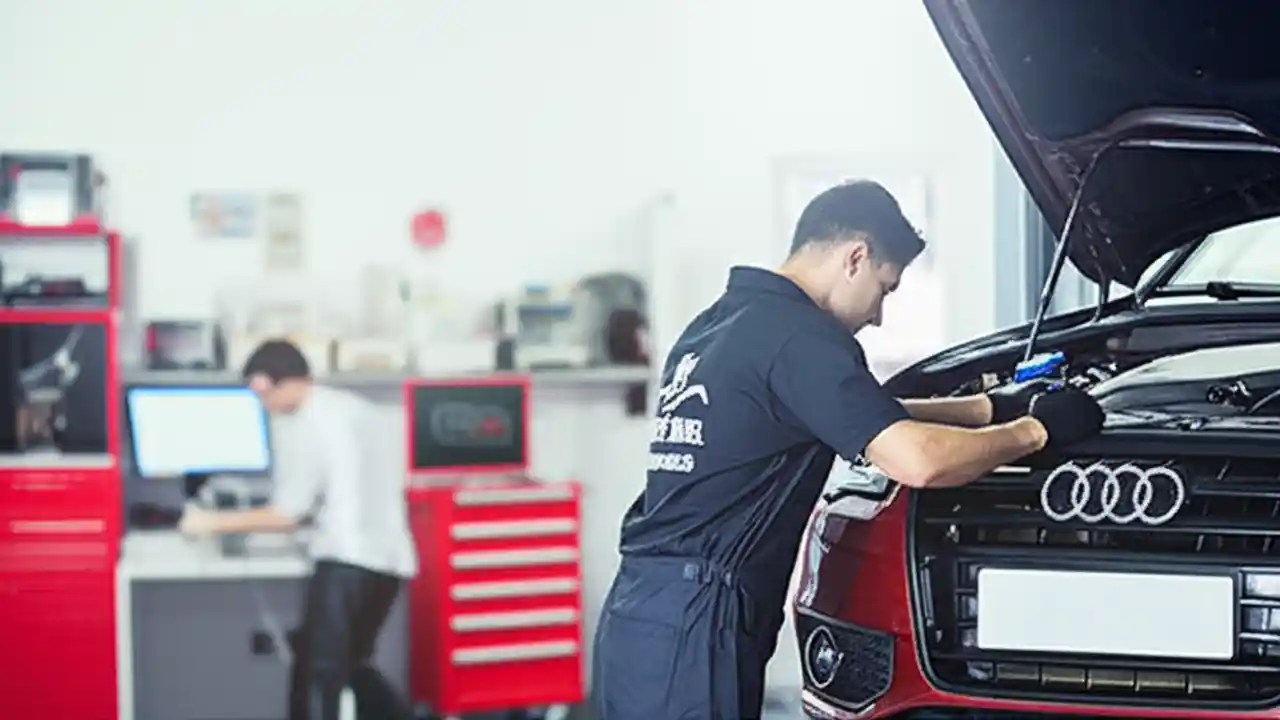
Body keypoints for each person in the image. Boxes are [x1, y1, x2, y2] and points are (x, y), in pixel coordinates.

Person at [591, 180, 1105, 720]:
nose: (878, 315)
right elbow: (920, 462)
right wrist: (1035, 432)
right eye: (886, 288)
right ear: (855, 257)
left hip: (640, 610)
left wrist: (986, 408)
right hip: (698, 621)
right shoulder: (801, 337)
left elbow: (855, 412)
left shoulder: (725, 323)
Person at [178, 339, 418, 720]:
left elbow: (287, 514)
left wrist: (210, 522)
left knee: (316, 677)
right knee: (352, 664)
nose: (263, 405)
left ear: (288, 382)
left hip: (347, 561)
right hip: (390, 561)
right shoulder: (353, 408)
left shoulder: (304, 421)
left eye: (264, 394)